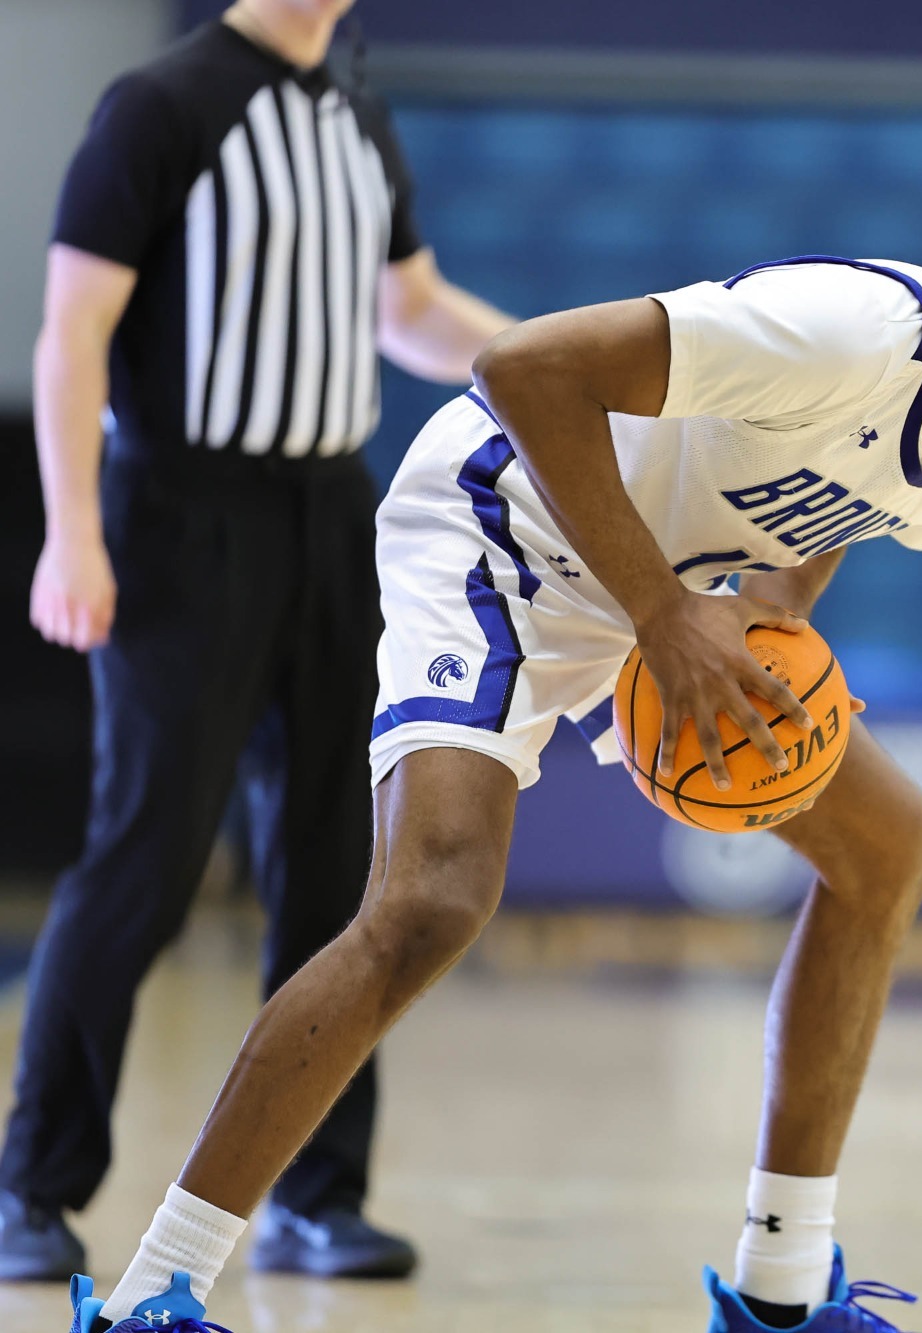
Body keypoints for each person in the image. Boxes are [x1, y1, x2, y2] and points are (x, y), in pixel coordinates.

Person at [59, 161, 922, 1333]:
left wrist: (770, 616)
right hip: (503, 520)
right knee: (433, 899)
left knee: (888, 846)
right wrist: (662, 615)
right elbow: (521, 368)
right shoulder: (854, 326)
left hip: (660, 586)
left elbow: (840, 502)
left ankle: (777, 1288)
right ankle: (154, 1293)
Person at [11, 0, 512, 1286]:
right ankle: (33, 1186)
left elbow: (408, 309)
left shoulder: (355, 113)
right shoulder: (161, 105)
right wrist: (73, 531)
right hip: (182, 512)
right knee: (150, 855)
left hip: (332, 514)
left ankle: (316, 1195)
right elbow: (75, 328)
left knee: (341, 867)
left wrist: (547, 362)